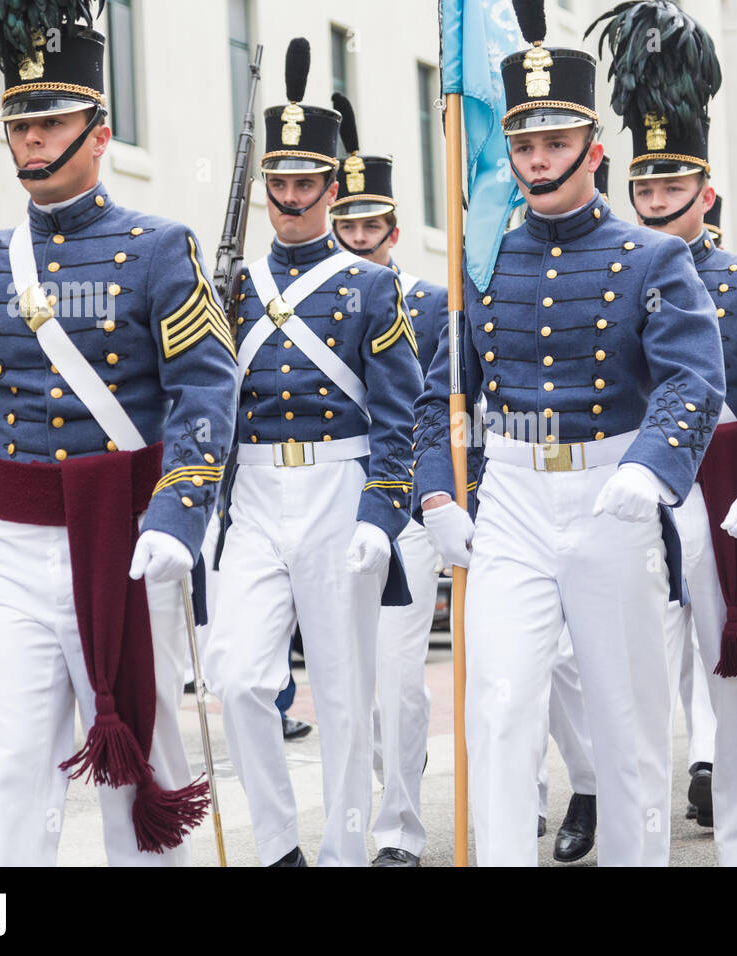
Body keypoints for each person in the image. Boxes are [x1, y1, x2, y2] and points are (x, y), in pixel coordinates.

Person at [0, 8, 238, 865]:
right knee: (9, 771)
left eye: (49, 124)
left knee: (143, 778)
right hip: (16, 552)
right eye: (18, 125)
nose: (28, 143)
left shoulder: (162, 250)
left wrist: (179, 516)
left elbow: (206, 390)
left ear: (99, 132)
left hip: (128, 546)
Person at [413, 0, 724, 866]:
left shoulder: (651, 259)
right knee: (501, 707)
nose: (537, 158)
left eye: (556, 142)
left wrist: (652, 470)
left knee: (625, 722)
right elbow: (443, 393)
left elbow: (694, 383)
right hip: (509, 496)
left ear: (594, 148)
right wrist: (436, 485)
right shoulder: (478, 262)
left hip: (611, 495)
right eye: (523, 143)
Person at [590, 0, 737, 866]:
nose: (654, 203)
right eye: (643, 188)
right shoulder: (605, 272)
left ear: (705, 191)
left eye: (672, 188)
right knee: (635, 691)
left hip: (726, 495)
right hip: (630, 490)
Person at [203, 40, 422, 868]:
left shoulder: (372, 289)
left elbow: (403, 414)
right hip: (254, 494)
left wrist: (382, 509)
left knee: (343, 692)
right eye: (279, 185)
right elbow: (204, 399)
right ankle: (276, 848)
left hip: (340, 488)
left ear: (334, 189)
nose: (291, 199)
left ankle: (346, 852)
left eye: (307, 184)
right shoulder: (231, 286)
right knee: (239, 678)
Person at [328, 93, 447, 867]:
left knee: (402, 680)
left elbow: (438, 410)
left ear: (395, 232)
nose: (360, 241)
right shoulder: (312, 301)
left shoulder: (434, 307)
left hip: (406, 510)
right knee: (349, 679)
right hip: (337, 505)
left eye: (372, 229)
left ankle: (399, 827)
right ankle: (372, 790)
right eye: (350, 227)